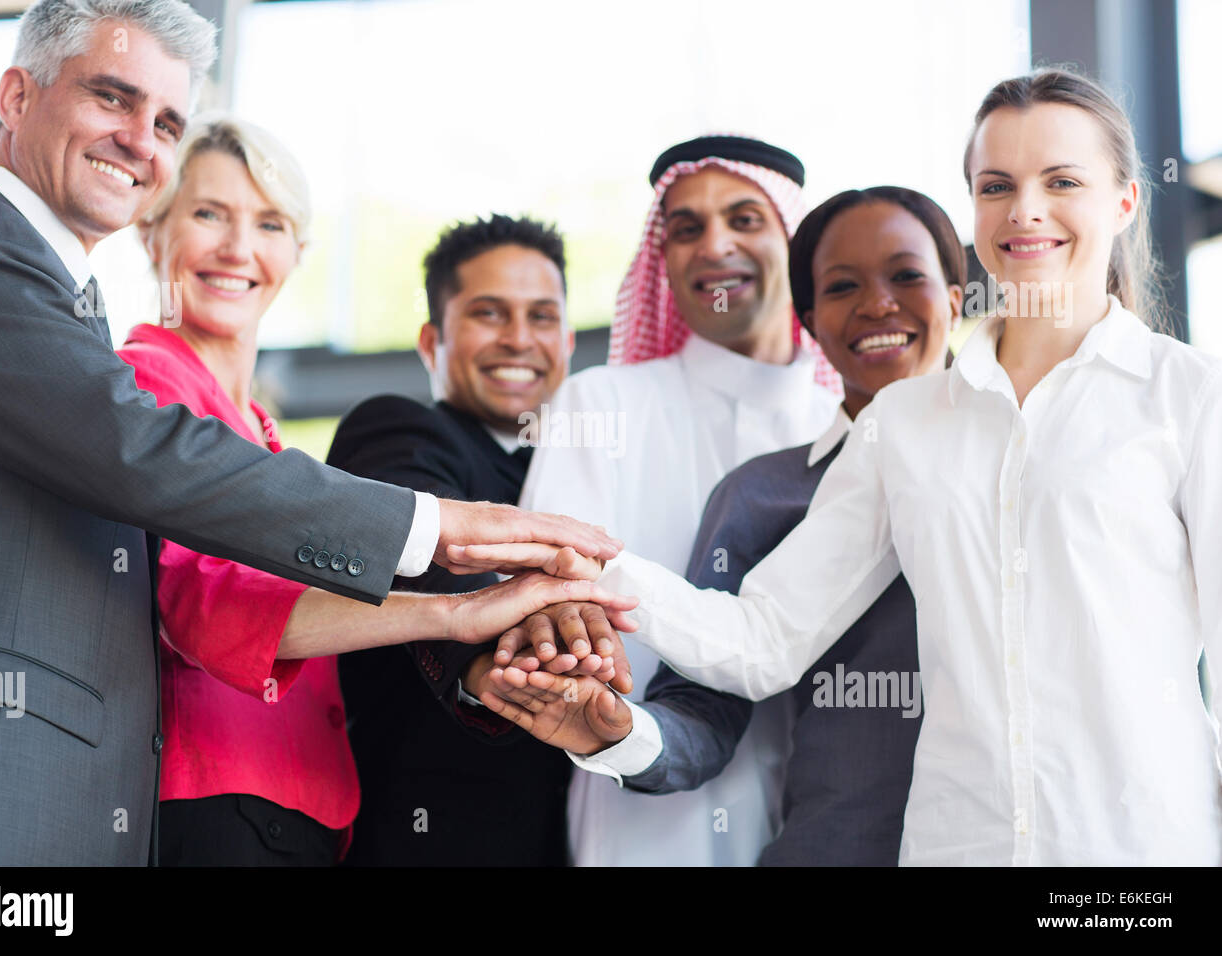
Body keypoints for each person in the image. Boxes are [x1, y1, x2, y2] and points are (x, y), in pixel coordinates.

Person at [0, 0, 618, 866]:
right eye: (111, 97)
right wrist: (447, 538)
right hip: (120, 794)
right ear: (17, 97)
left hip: (242, 809)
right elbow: (156, 491)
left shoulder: (245, 422)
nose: (140, 138)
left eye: (166, 120)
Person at [485, 67, 1222, 865]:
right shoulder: (905, 426)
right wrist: (587, 561)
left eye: (1063, 181)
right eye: (997, 184)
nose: (1026, 211)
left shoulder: (1191, 400)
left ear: (1124, 201)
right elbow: (765, 637)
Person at [116, 122, 620, 866]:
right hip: (220, 797)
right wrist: (462, 613)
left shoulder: (261, 433)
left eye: (270, 223)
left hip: (303, 813)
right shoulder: (146, 383)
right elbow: (206, 606)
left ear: (296, 253)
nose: (237, 247)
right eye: (207, 214)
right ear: (149, 227)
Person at [486, 187, 965, 866]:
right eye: (842, 286)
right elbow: (730, 672)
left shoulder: (1028, 466)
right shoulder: (762, 489)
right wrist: (619, 729)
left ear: (957, 294)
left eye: (906, 275)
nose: (877, 303)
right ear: (812, 318)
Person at [516, 135, 841, 866]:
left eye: (745, 219)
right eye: (686, 228)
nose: (713, 244)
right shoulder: (600, 405)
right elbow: (556, 601)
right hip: (649, 821)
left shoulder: (847, 427)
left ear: (794, 241)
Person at [326, 215, 628, 866]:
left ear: (569, 340)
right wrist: (506, 642)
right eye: (490, 314)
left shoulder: (588, 473)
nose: (519, 340)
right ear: (432, 341)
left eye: (542, 317)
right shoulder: (397, 428)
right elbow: (423, 538)